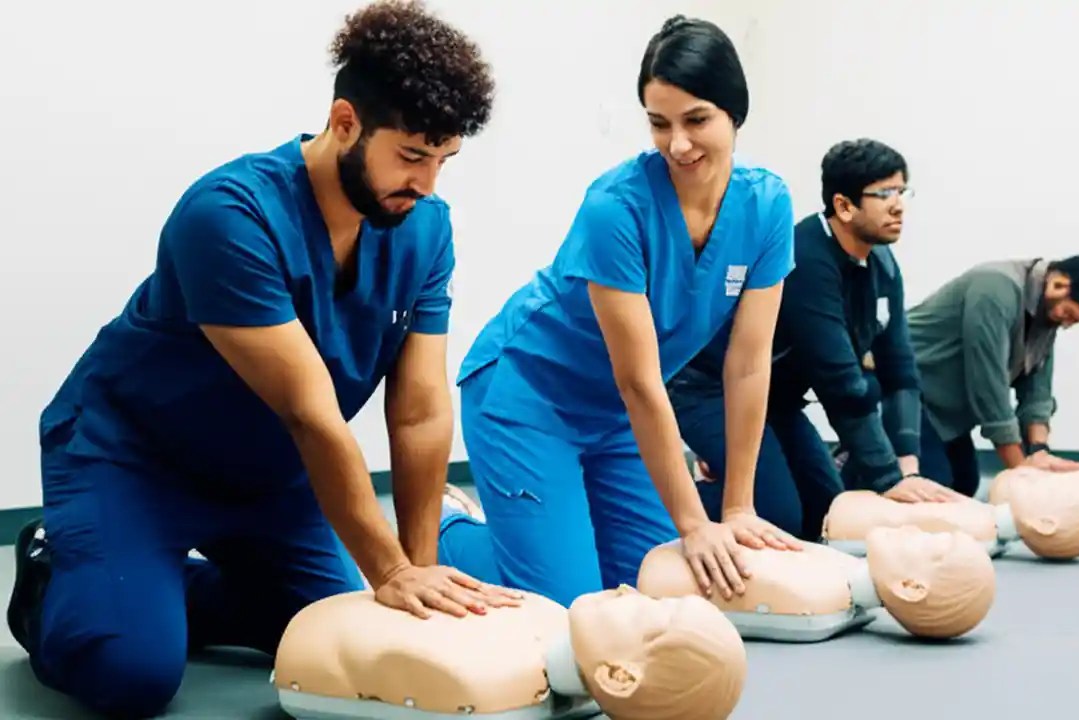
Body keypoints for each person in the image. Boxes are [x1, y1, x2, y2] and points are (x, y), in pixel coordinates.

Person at [5, 2, 516, 717]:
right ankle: (54, 572)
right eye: (410, 156)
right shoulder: (229, 216)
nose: (428, 183)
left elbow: (422, 408)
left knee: (342, 644)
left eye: (443, 160)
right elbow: (311, 412)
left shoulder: (424, 228)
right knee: (131, 673)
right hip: (134, 458)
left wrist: (418, 569)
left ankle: (158, 591)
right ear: (345, 122)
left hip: (269, 477)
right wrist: (389, 569)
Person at [435, 15, 803, 611]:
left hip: (616, 417)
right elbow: (639, 380)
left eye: (696, 120)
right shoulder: (617, 208)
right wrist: (694, 522)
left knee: (653, 593)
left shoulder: (767, 205)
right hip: (528, 395)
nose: (677, 143)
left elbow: (747, 364)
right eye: (660, 124)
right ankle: (448, 533)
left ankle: (524, 533)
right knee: (568, 610)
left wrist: (736, 508)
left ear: (735, 112)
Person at [666, 139, 962, 542]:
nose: (899, 205)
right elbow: (838, 378)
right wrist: (887, 477)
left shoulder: (881, 264)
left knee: (822, 513)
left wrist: (907, 461)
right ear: (843, 206)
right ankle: (660, 503)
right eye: (884, 194)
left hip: (775, 399)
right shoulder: (806, 258)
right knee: (775, 516)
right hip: (709, 389)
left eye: (902, 191)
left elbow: (900, 370)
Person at [907, 255, 1079, 497]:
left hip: (942, 412)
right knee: (934, 488)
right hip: (901, 391)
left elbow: (1038, 390)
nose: (1067, 324)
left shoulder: (1046, 313)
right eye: (1070, 315)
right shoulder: (995, 288)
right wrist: (1022, 474)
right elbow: (987, 385)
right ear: (1059, 284)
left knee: (963, 485)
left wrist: (1039, 452)